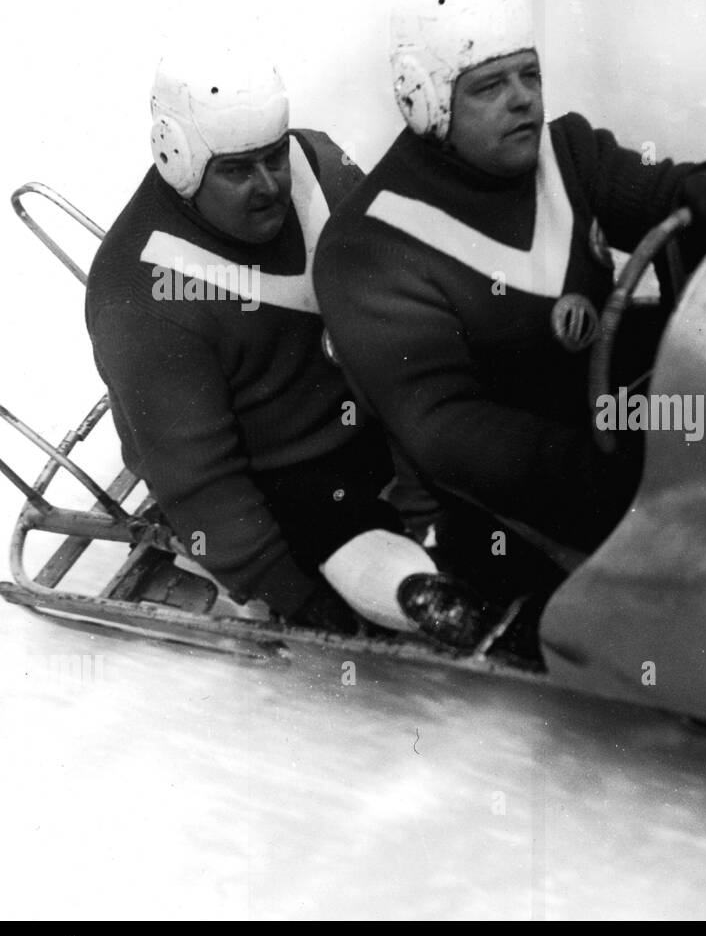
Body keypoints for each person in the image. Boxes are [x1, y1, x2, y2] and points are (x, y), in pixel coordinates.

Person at [313, 0, 706, 590]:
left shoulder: (568, 154)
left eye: (530, 75)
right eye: (490, 86)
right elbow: (446, 429)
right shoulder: (369, 249)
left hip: (618, 426)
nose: (523, 98)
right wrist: (610, 467)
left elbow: (661, 196)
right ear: (427, 102)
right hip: (500, 499)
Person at [85, 49, 489, 643]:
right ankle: (417, 595)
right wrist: (290, 591)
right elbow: (198, 482)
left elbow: (408, 269)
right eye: (239, 170)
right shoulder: (139, 298)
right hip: (287, 466)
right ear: (180, 161)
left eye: (274, 158)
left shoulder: (318, 163)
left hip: (379, 405)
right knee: (332, 519)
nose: (271, 186)